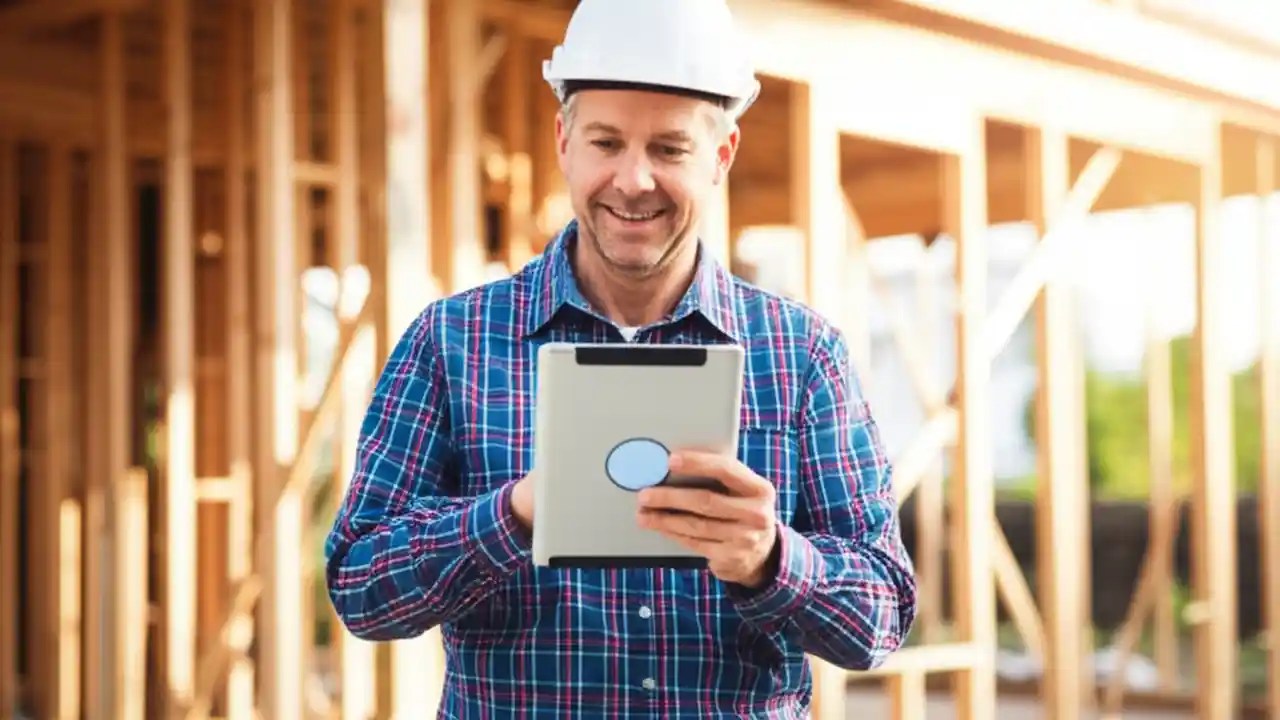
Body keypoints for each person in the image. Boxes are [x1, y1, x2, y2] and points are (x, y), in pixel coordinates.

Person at [324, 0, 917, 716]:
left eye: (670, 149)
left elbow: (881, 618)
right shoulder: (452, 341)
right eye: (606, 143)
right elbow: (360, 588)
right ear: (564, 142)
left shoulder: (801, 354)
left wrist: (771, 560)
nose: (634, 180)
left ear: (721, 156)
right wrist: (513, 515)